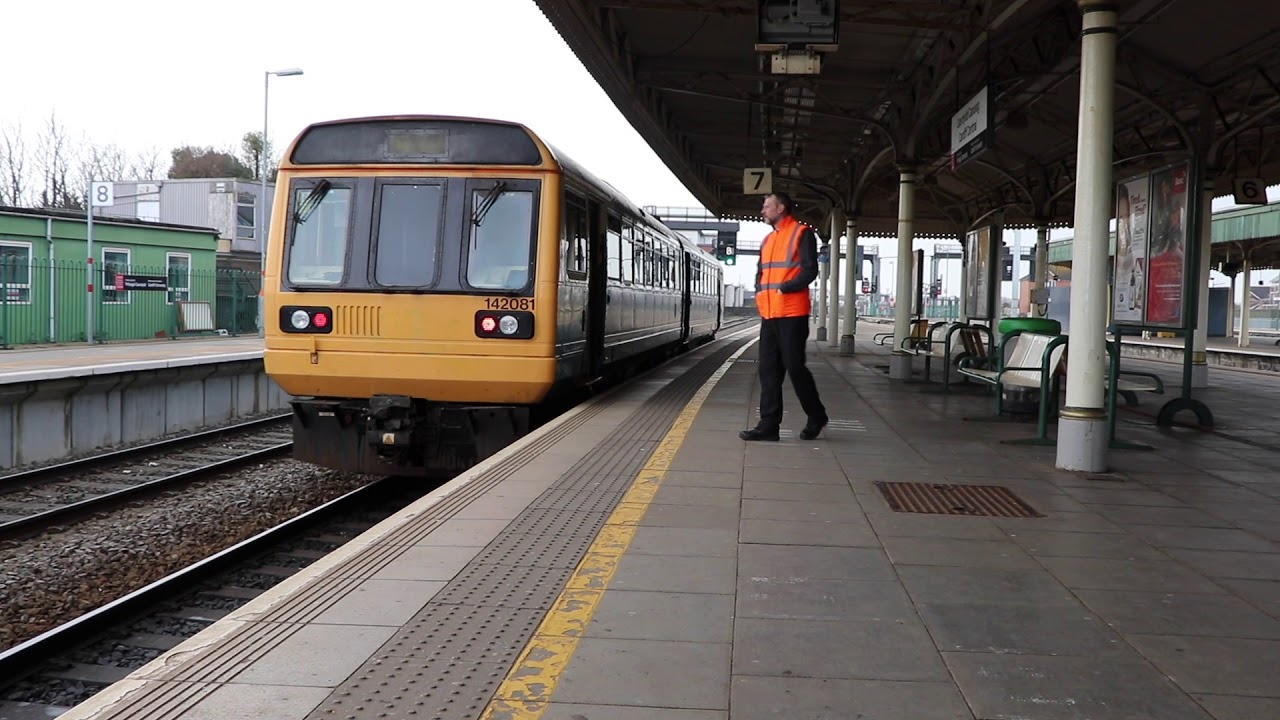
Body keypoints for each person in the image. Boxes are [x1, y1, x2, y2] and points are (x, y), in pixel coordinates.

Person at [740, 192, 828, 442]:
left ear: (781, 208)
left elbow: (810, 270)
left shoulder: (802, 233)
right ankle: (768, 425)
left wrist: (785, 288)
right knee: (768, 370)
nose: (762, 211)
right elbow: (761, 273)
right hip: (769, 313)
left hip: (792, 312)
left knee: (794, 366)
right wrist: (759, 293)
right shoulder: (768, 239)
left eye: (767, 206)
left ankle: (816, 415)